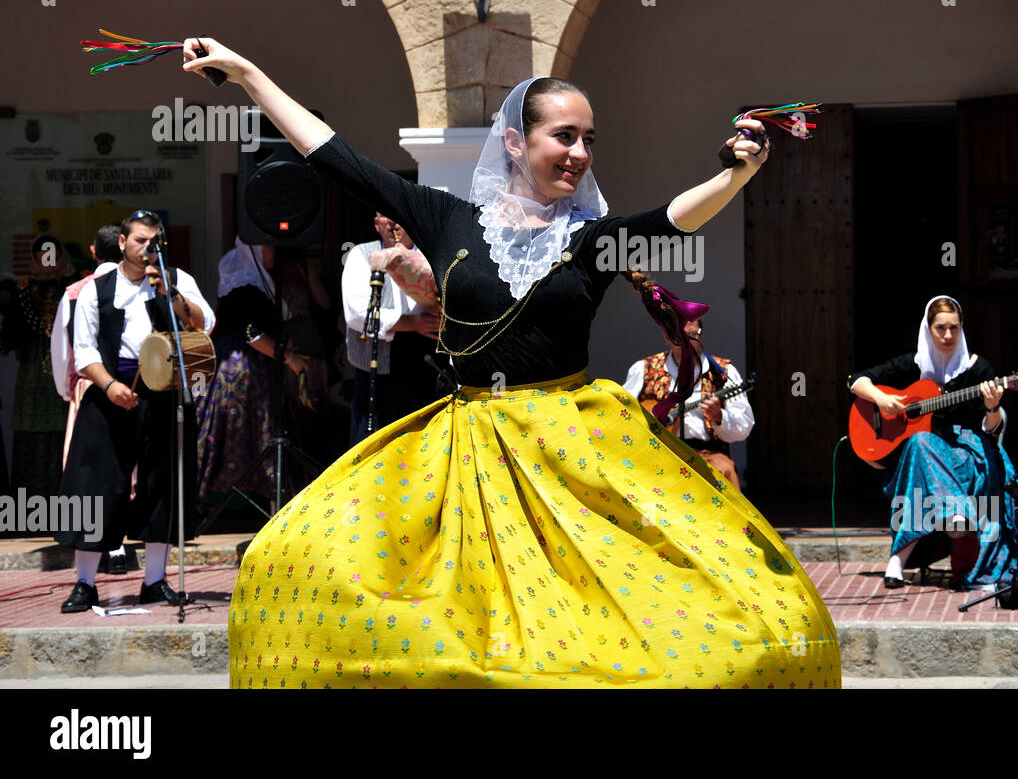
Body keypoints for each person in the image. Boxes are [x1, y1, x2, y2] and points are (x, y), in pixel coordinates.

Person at [182, 37, 840, 688]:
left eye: (588, 139)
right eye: (564, 135)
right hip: (467, 448)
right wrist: (247, 74)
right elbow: (334, 155)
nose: (580, 153)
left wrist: (737, 173)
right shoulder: (447, 220)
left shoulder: (589, 241)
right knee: (309, 562)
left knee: (591, 625)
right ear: (515, 142)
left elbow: (671, 222)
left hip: (571, 448)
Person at [54, 210, 216, 612]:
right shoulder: (97, 288)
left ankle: (155, 580)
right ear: (123, 243)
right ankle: (85, 582)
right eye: (141, 241)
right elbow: (85, 347)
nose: (148, 249)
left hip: (164, 391)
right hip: (111, 389)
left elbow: (205, 323)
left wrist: (172, 297)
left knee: (162, 484)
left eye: (154, 241)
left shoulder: (177, 280)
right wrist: (108, 385)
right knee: (97, 483)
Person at [849, 296, 1018, 590]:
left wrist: (993, 407)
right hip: (926, 454)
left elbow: (990, 429)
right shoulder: (913, 365)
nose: (948, 335)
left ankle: (898, 557)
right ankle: (954, 516)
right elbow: (856, 380)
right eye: (940, 328)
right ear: (928, 329)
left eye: (954, 328)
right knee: (921, 443)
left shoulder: (979, 370)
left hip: (969, 454)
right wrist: (882, 399)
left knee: (920, 448)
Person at [195, 238, 327, 503]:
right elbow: (251, 334)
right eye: (268, 246)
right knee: (251, 432)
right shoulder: (246, 288)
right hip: (244, 371)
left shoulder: (250, 285)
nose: (273, 251)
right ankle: (242, 503)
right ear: (254, 251)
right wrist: (289, 358)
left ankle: (248, 503)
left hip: (249, 367)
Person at [49, 224, 128, 572]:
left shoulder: (75, 292)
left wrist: (68, 388)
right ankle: (119, 546)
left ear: (93, 252)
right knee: (129, 468)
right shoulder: (136, 288)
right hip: (132, 385)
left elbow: (61, 351)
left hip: (90, 386)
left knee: (89, 468)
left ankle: (95, 551)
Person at [623, 297, 754, 490]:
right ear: (667, 336)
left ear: (701, 335)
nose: (686, 343)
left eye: (692, 336)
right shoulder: (643, 369)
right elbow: (620, 413)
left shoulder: (724, 373)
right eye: (679, 336)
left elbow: (744, 427)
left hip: (707, 454)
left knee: (723, 469)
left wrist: (720, 417)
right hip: (658, 453)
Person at [342, 212, 450, 445]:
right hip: (378, 372)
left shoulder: (433, 253)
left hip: (427, 366)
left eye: (398, 214)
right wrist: (412, 323)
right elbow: (357, 313)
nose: (392, 222)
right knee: (376, 448)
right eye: (385, 216)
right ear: (376, 224)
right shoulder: (361, 255)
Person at [10, 236, 76, 499]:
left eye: (54, 257)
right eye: (44, 258)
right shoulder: (24, 291)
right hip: (34, 370)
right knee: (34, 434)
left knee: (64, 430)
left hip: (63, 364)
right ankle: (32, 502)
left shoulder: (74, 287)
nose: (50, 264)